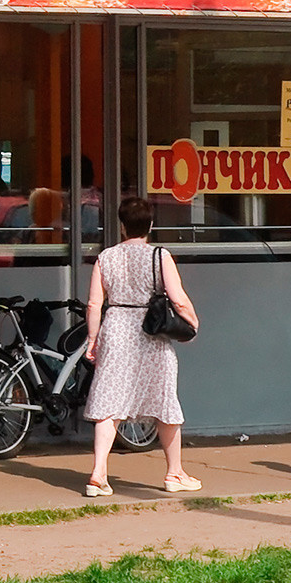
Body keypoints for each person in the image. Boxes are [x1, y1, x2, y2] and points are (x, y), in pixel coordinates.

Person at [84, 196, 201, 496]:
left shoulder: (105, 257)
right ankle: (174, 474)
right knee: (164, 401)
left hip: (116, 328)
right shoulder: (159, 256)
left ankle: (98, 474)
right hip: (151, 333)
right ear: (150, 225)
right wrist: (192, 322)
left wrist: (92, 340)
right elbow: (178, 298)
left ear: (122, 227)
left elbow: (95, 303)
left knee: (109, 403)